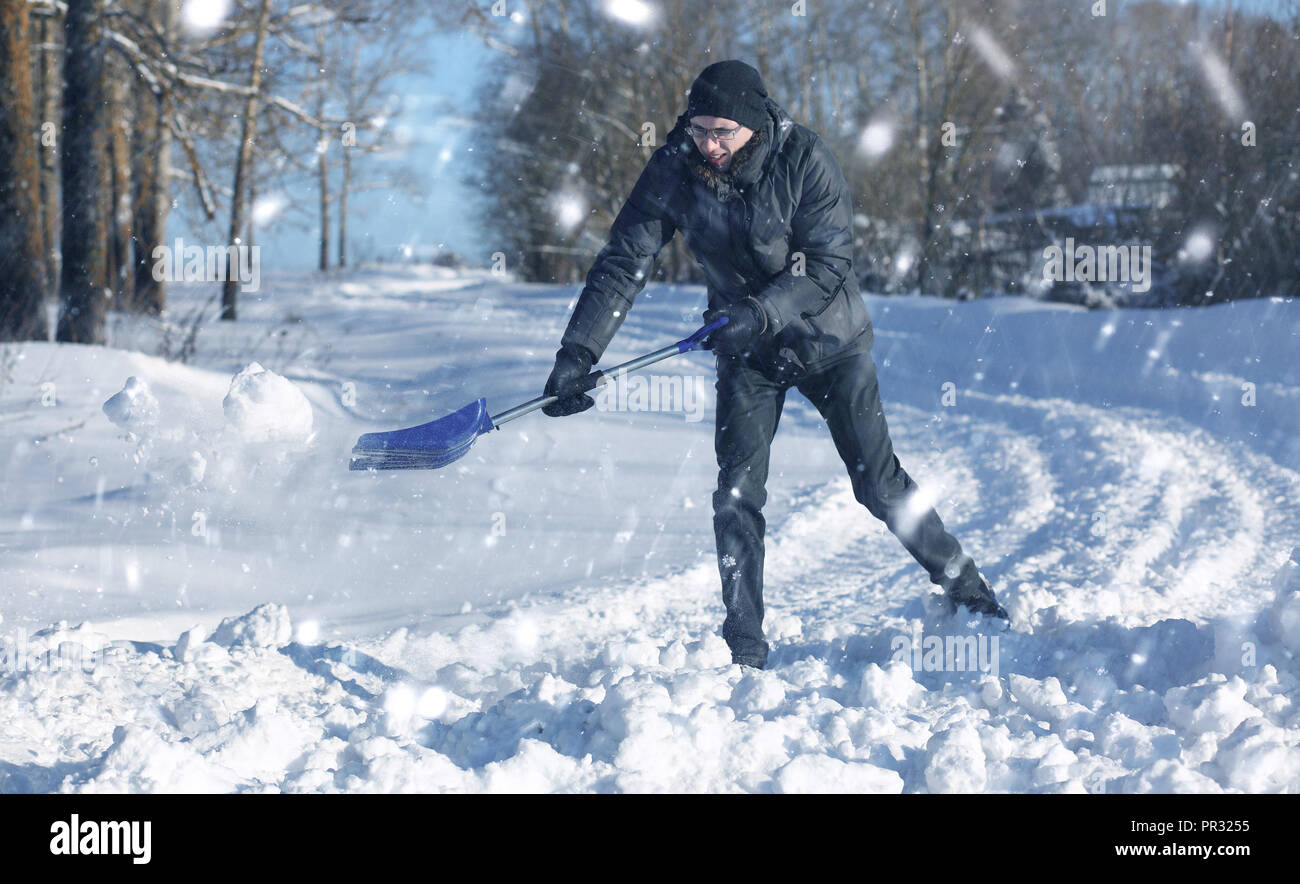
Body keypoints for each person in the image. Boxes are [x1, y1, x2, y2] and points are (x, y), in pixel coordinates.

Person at [542, 60, 1008, 670]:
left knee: (877, 482)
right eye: (699, 128)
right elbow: (624, 261)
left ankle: (970, 593)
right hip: (748, 353)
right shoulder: (676, 167)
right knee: (736, 495)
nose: (708, 144)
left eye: (723, 133)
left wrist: (761, 311)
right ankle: (746, 647)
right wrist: (578, 353)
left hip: (828, 343)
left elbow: (826, 263)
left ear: (755, 126)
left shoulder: (805, 159)